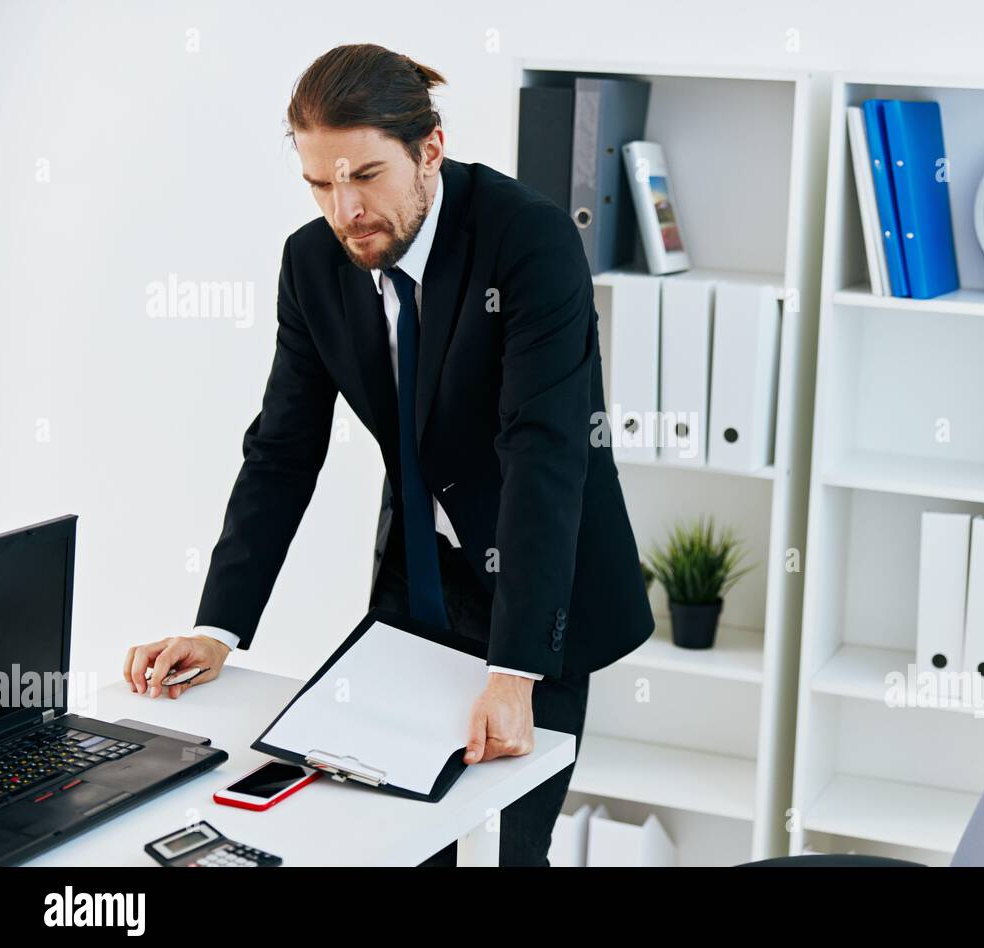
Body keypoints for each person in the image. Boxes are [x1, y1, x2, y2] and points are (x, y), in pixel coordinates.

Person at [121, 43, 654, 866]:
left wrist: (514, 674)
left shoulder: (530, 241)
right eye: (319, 182)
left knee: (509, 853)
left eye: (366, 176)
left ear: (429, 150)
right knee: (390, 839)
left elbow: (545, 456)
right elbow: (282, 449)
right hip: (415, 582)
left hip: (538, 583)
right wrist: (218, 624)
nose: (345, 210)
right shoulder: (312, 264)